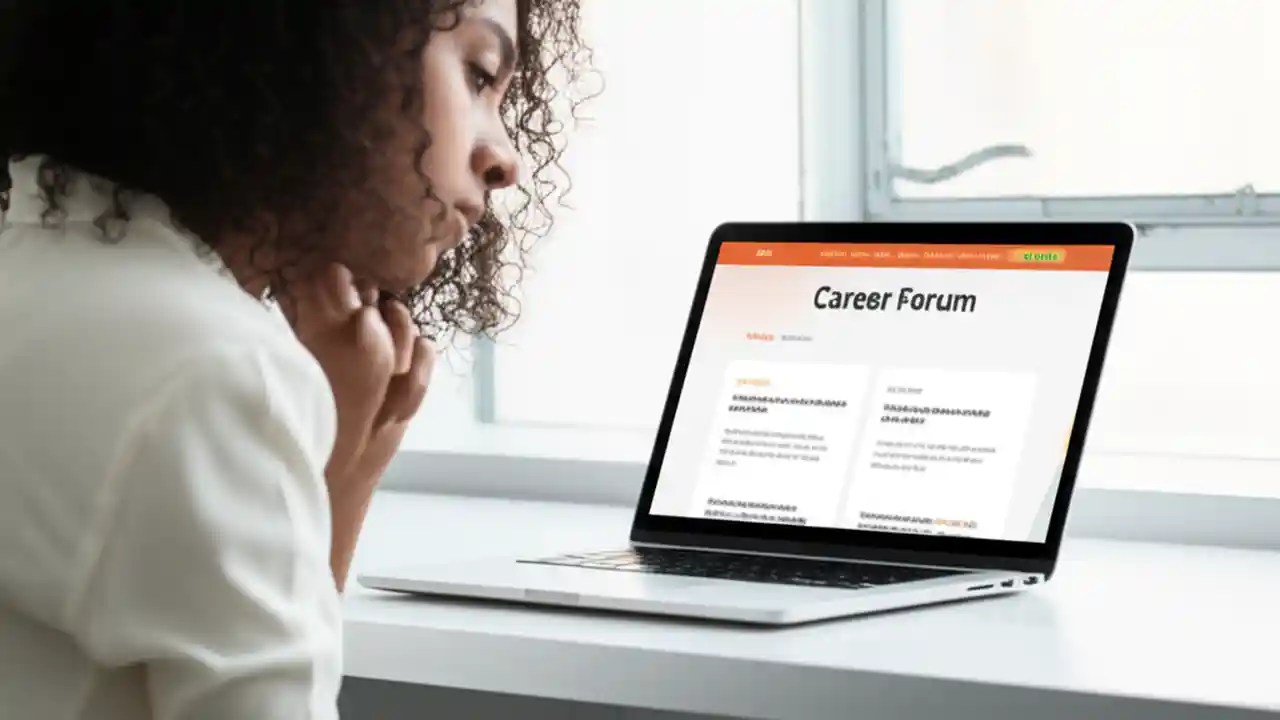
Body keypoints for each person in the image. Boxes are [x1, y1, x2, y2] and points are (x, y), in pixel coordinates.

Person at [0, 0, 588, 717]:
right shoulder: (217, 373)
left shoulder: (38, 268)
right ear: (330, 41)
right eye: (477, 74)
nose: (506, 158)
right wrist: (330, 470)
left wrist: (338, 476)